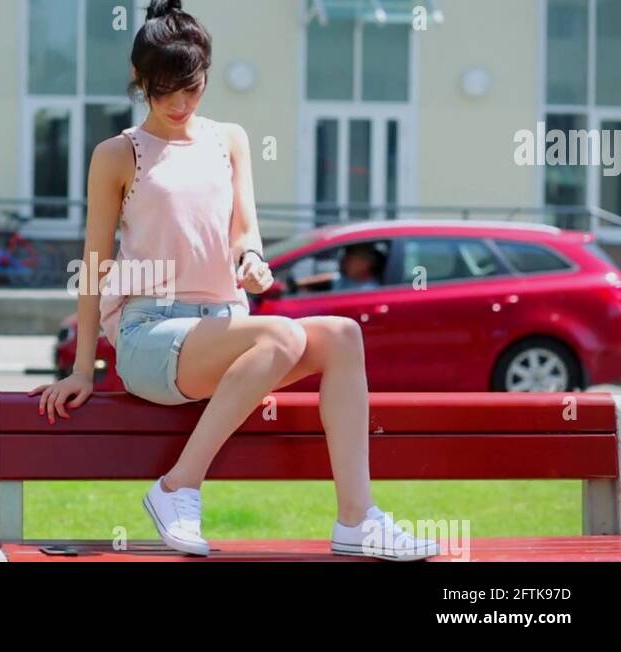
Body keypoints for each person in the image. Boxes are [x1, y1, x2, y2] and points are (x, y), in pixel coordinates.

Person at [29, 0, 438, 561]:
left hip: (226, 327)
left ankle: (356, 519)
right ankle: (177, 488)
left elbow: (245, 229)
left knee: (344, 335)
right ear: (139, 80)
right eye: (164, 90)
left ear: (206, 79)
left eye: (191, 89)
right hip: (151, 334)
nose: (179, 104)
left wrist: (251, 259)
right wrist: (82, 368)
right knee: (283, 336)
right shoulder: (118, 154)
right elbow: (95, 262)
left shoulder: (230, 140)